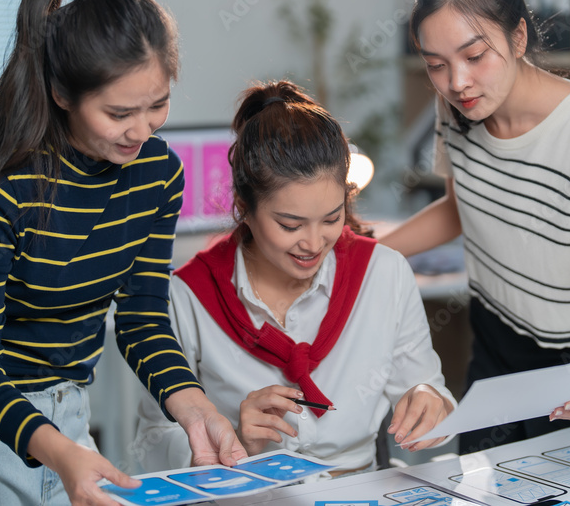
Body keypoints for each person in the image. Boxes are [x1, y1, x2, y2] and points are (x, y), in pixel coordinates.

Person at [0, 0, 245, 506]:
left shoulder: (159, 175)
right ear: (63, 93)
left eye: (158, 105)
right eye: (119, 112)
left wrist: (193, 404)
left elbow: (141, 319)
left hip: (67, 410)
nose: (142, 129)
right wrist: (57, 450)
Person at [380, 0, 570, 453]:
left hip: (569, 363)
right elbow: (462, 208)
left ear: (518, 37)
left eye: (474, 55)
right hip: (494, 343)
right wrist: (368, 250)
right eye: (436, 65)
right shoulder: (455, 111)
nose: (457, 81)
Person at [132, 80, 456, 476]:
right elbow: (151, 446)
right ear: (244, 208)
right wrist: (236, 441)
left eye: (332, 218)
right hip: (249, 496)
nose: (314, 243)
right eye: (290, 225)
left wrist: (429, 397)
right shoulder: (189, 296)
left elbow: (425, 386)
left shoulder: (383, 274)